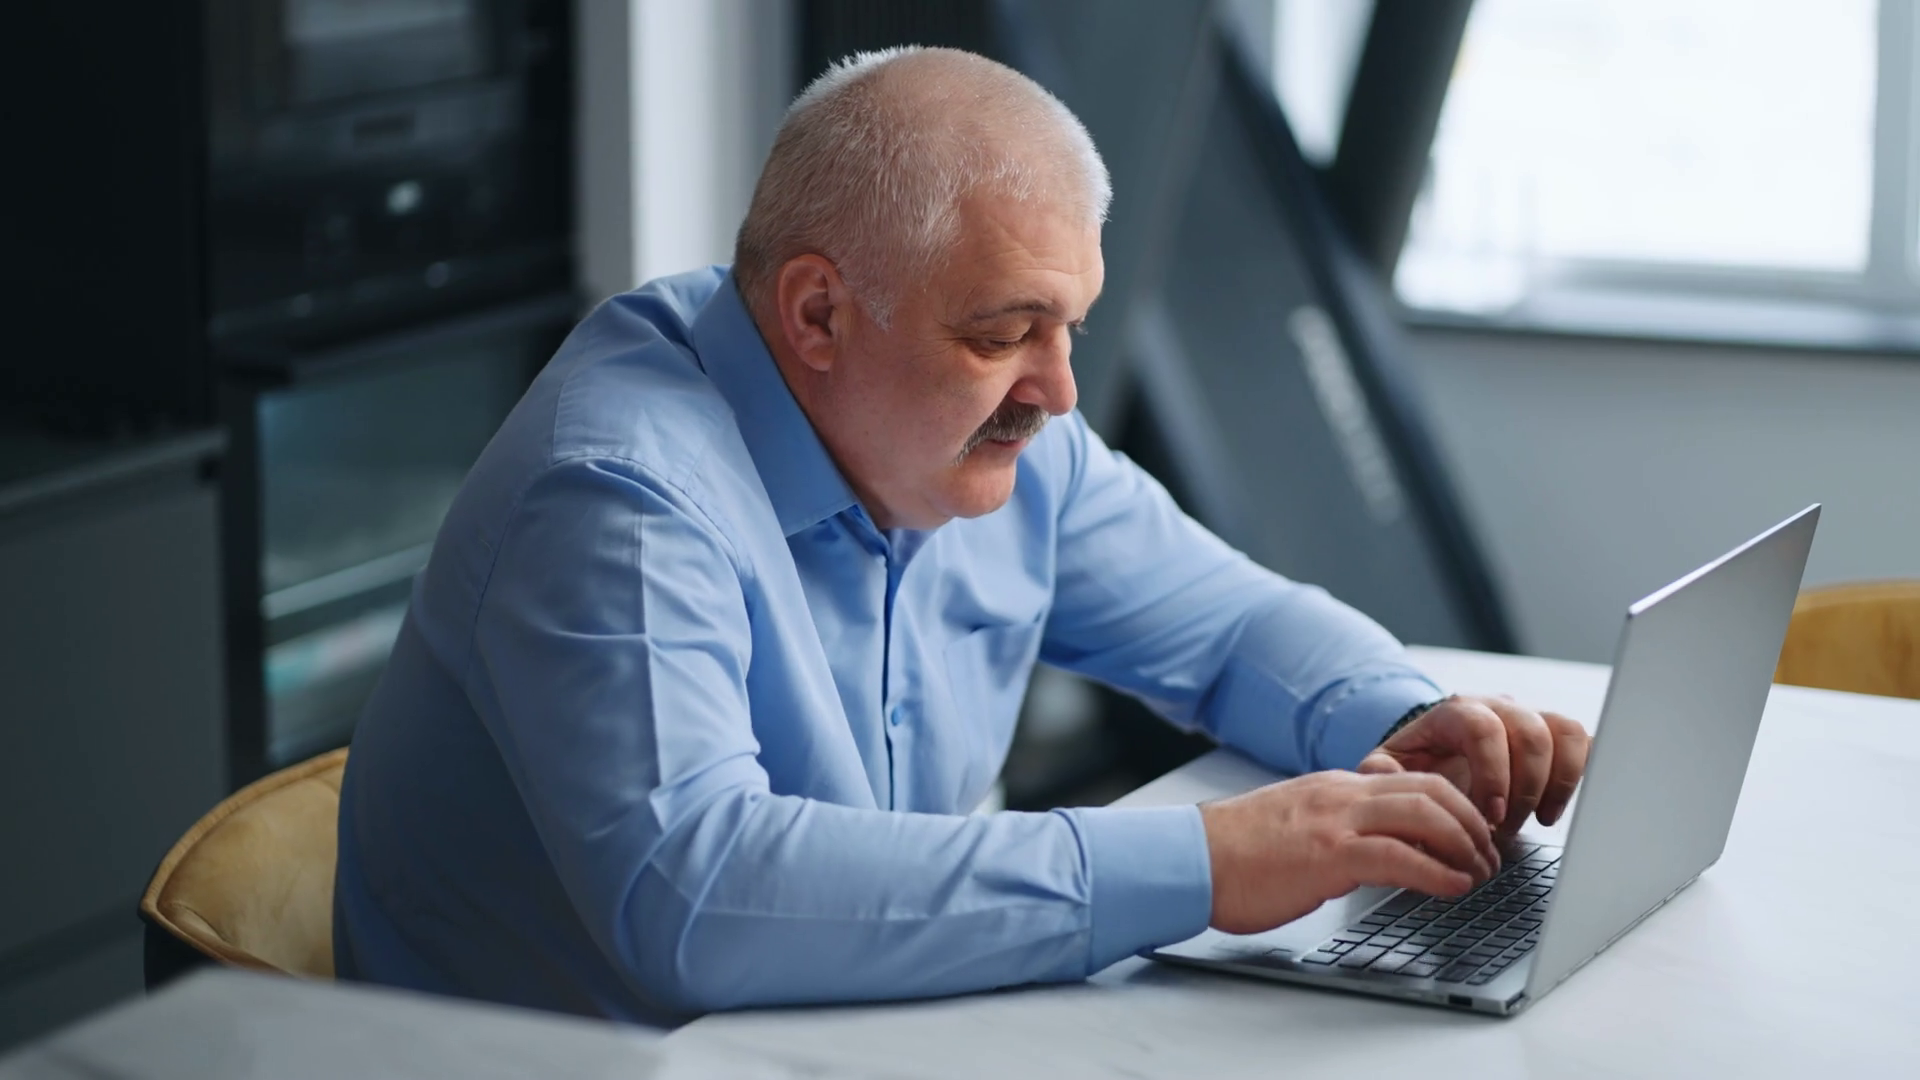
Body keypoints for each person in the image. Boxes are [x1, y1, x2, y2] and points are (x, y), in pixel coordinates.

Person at [333, 46, 1590, 1023]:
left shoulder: (999, 436)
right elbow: (699, 894)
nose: (1059, 391)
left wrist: (1398, 726)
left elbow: (1232, 626)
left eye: (1072, 330)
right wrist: (1202, 862)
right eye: (1004, 331)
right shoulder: (617, 496)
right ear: (818, 312)